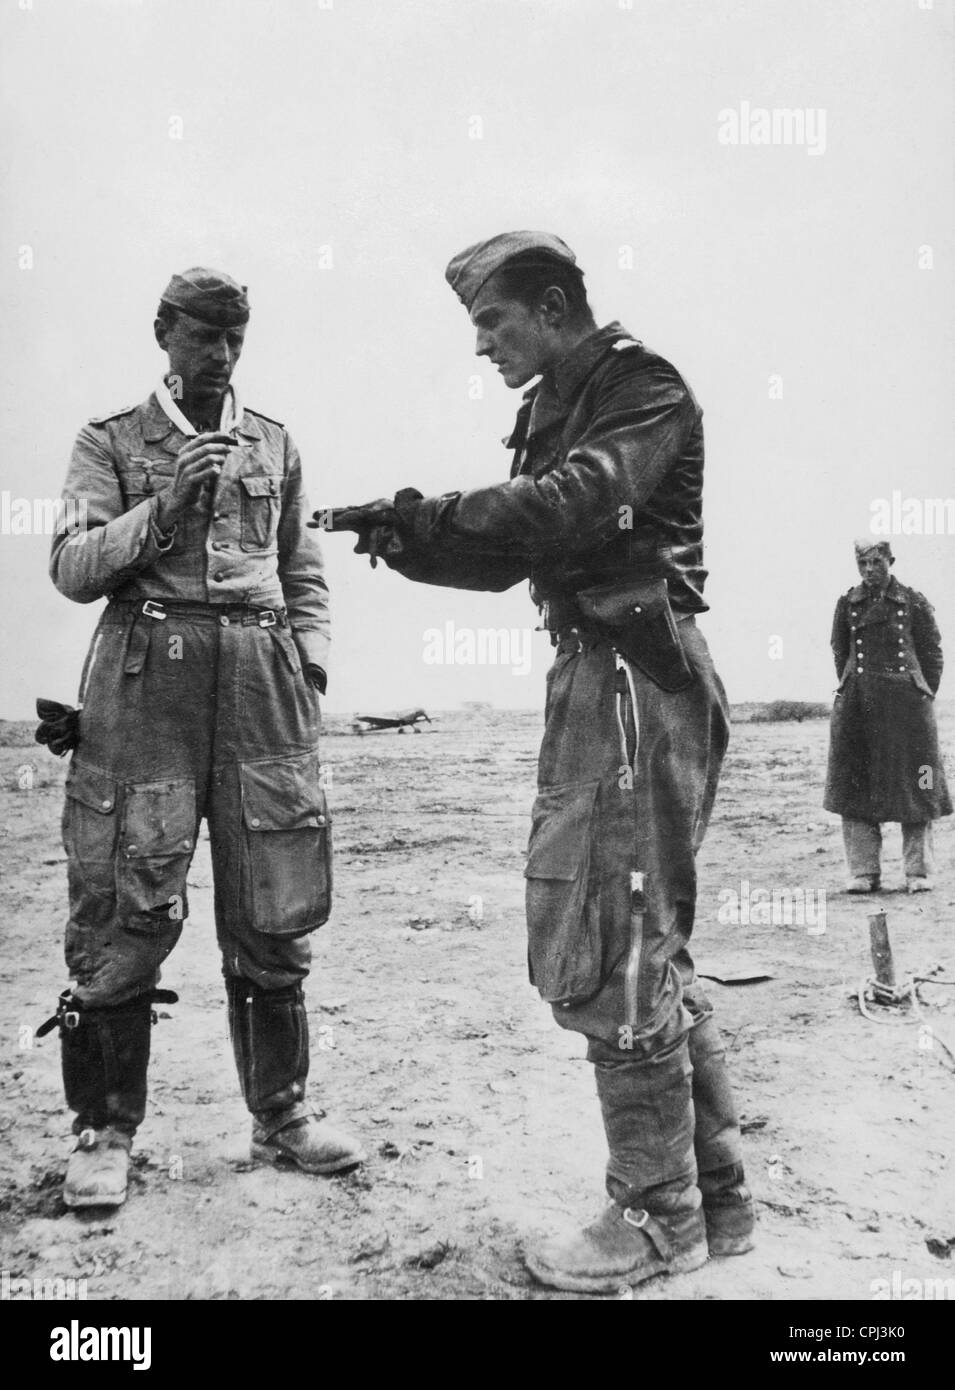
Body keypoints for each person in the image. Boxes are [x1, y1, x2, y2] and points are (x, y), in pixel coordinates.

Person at [321, 231, 753, 1293]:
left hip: (631, 675)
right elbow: (513, 546)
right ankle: (719, 1200)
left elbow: (569, 506)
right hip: (603, 672)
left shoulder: (638, 386)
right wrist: (405, 534)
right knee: (643, 935)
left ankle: (657, 1221)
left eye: (492, 323)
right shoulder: (566, 401)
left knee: (612, 938)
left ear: (553, 306)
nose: (481, 347)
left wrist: (436, 515)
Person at [45, 267, 365, 1209]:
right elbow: (69, 565)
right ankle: (104, 1131)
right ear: (162, 333)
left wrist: (308, 667)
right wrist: (165, 511)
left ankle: (284, 1113)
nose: (218, 355)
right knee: (125, 894)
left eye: (234, 337)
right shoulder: (108, 441)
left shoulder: (273, 439)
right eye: (200, 336)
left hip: (261, 680)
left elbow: (301, 567)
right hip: (149, 675)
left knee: (275, 889)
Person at [824, 539, 951, 892]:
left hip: (909, 712)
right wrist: (853, 686)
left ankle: (919, 872)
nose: (869, 570)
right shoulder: (847, 604)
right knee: (855, 788)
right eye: (862, 563)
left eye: (876, 562)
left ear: (890, 561)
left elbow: (932, 652)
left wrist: (921, 690)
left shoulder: (913, 601)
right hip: (858, 710)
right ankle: (863, 873)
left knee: (922, 785)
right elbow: (839, 650)